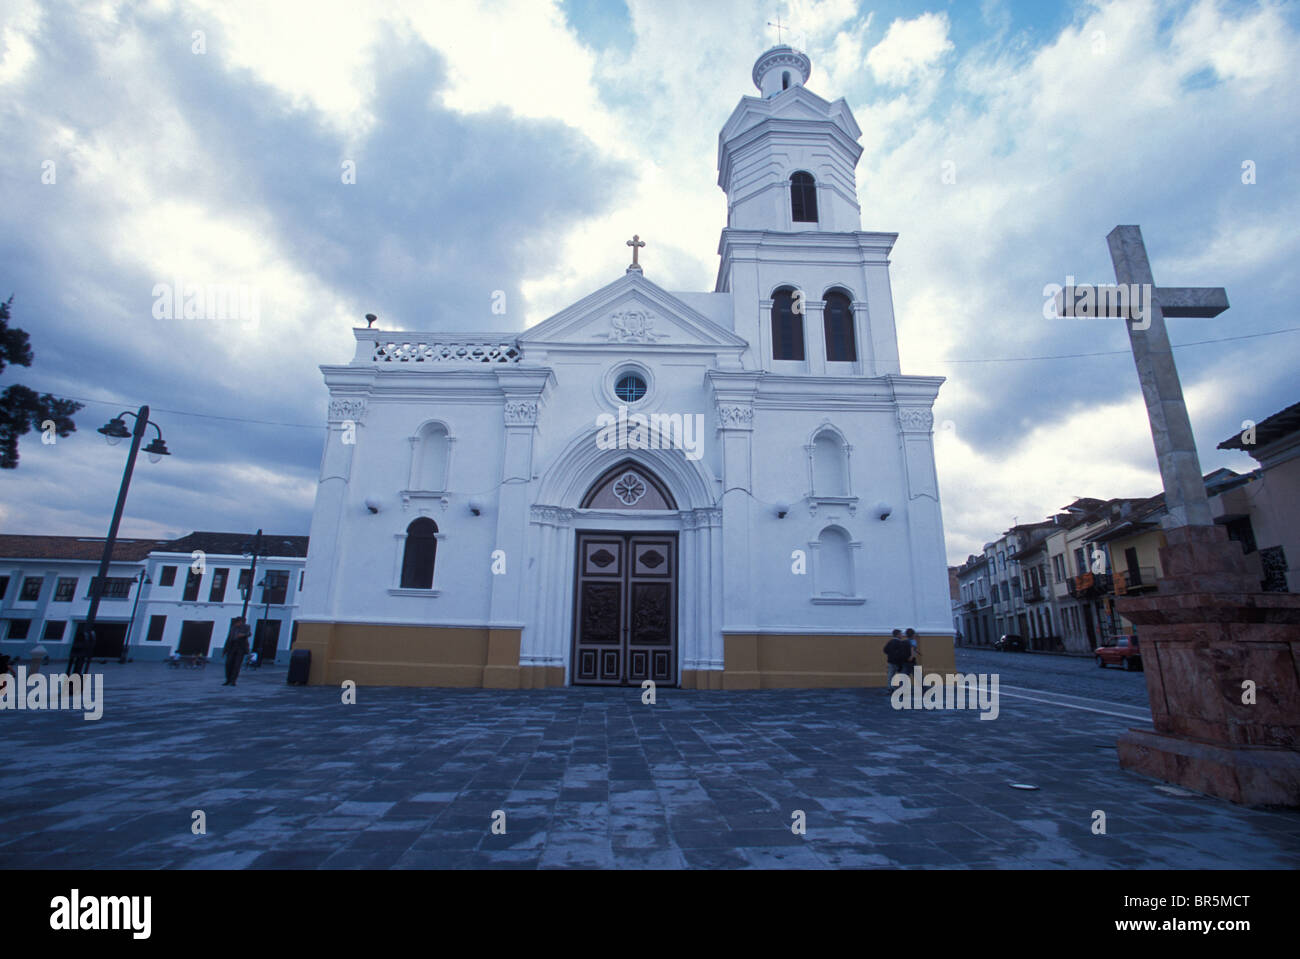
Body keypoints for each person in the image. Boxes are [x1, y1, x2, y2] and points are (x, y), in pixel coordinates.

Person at [222, 617, 252, 686]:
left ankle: (233, 681)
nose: (237, 624)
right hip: (231, 647)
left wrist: (243, 635)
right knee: (228, 664)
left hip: (240, 648)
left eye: (239, 622)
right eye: (236, 622)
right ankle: (228, 679)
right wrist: (224, 650)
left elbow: (249, 633)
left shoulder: (246, 627)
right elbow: (229, 638)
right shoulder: (233, 628)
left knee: (237, 665)